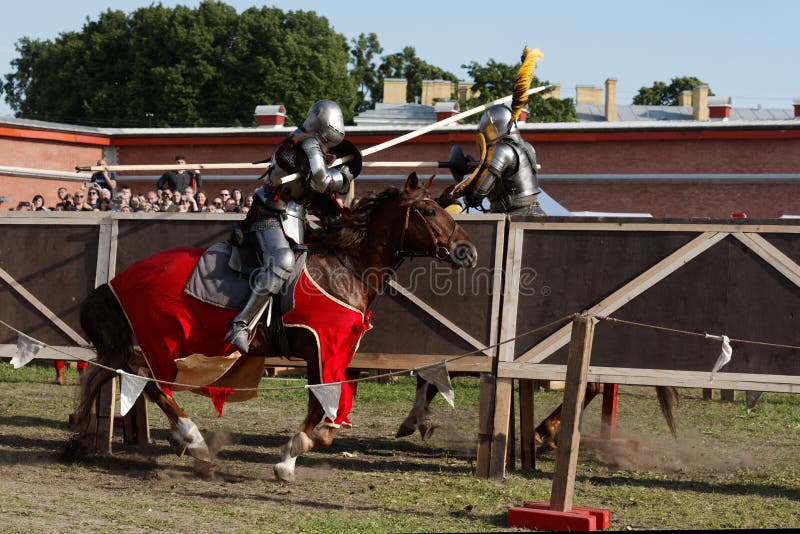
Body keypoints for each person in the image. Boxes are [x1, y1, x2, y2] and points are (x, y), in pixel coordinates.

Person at [224, 99, 360, 354]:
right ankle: (240, 324)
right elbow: (321, 181)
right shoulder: (307, 144)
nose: (329, 147)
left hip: (295, 216)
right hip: (270, 214)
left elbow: (314, 189)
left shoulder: (309, 145)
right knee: (283, 260)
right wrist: (345, 176)